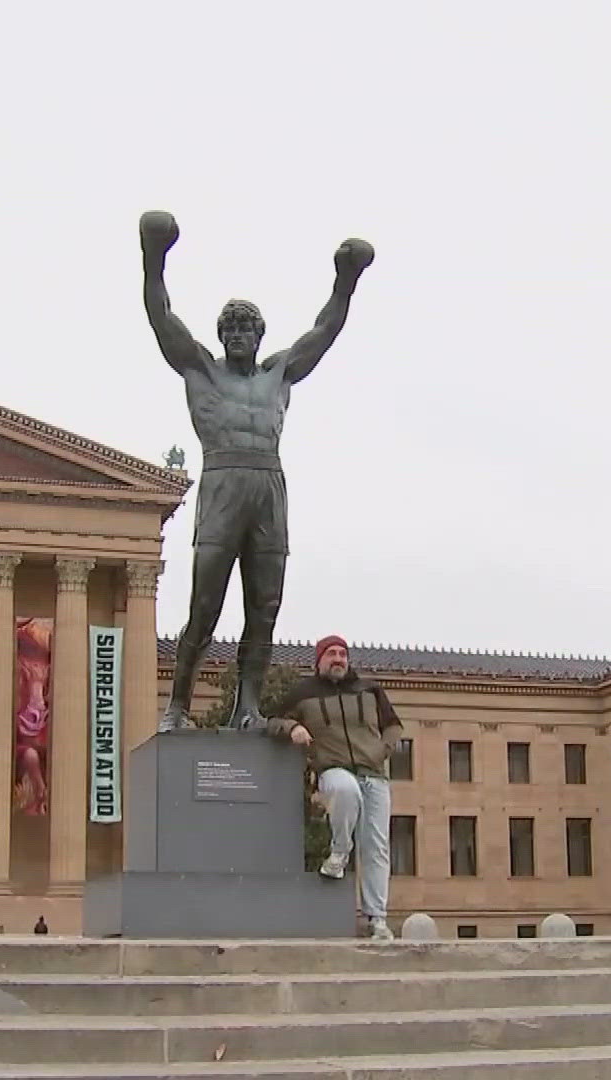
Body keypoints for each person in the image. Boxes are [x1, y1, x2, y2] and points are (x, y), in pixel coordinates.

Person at [139, 210, 374, 732]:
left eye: (247, 327)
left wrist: (346, 281)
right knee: (205, 606)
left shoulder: (280, 373)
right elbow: (161, 316)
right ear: (220, 335)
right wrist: (154, 257)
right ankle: (177, 706)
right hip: (222, 482)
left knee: (264, 607)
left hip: (268, 487)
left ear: (260, 335)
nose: (238, 334)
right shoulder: (200, 367)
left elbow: (324, 330)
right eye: (230, 328)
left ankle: (247, 707)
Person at [267, 635, 402, 941]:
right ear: (319, 661)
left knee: (377, 846)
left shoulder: (369, 689)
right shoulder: (304, 693)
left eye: (342, 653)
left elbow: (393, 725)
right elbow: (271, 720)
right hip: (332, 769)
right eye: (331, 654)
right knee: (345, 790)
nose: (338, 659)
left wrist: (382, 750)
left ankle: (377, 918)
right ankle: (340, 851)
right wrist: (293, 727)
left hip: (373, 773)